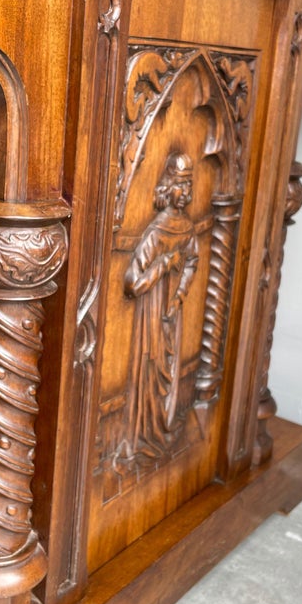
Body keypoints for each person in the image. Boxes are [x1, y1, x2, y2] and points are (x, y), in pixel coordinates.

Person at [120, 152, 199, 460]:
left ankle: (160, 430)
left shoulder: (187, 227)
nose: (186, 194)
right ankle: (142, 435)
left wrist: (179, 295)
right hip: (150, 315)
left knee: (168, 368)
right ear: (167, 187)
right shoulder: (155, 232)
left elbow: (192, 261)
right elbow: (132, 283)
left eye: (189, 186)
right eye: (180, 185)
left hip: (170, 314)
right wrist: (164, 265)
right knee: (152, 368)